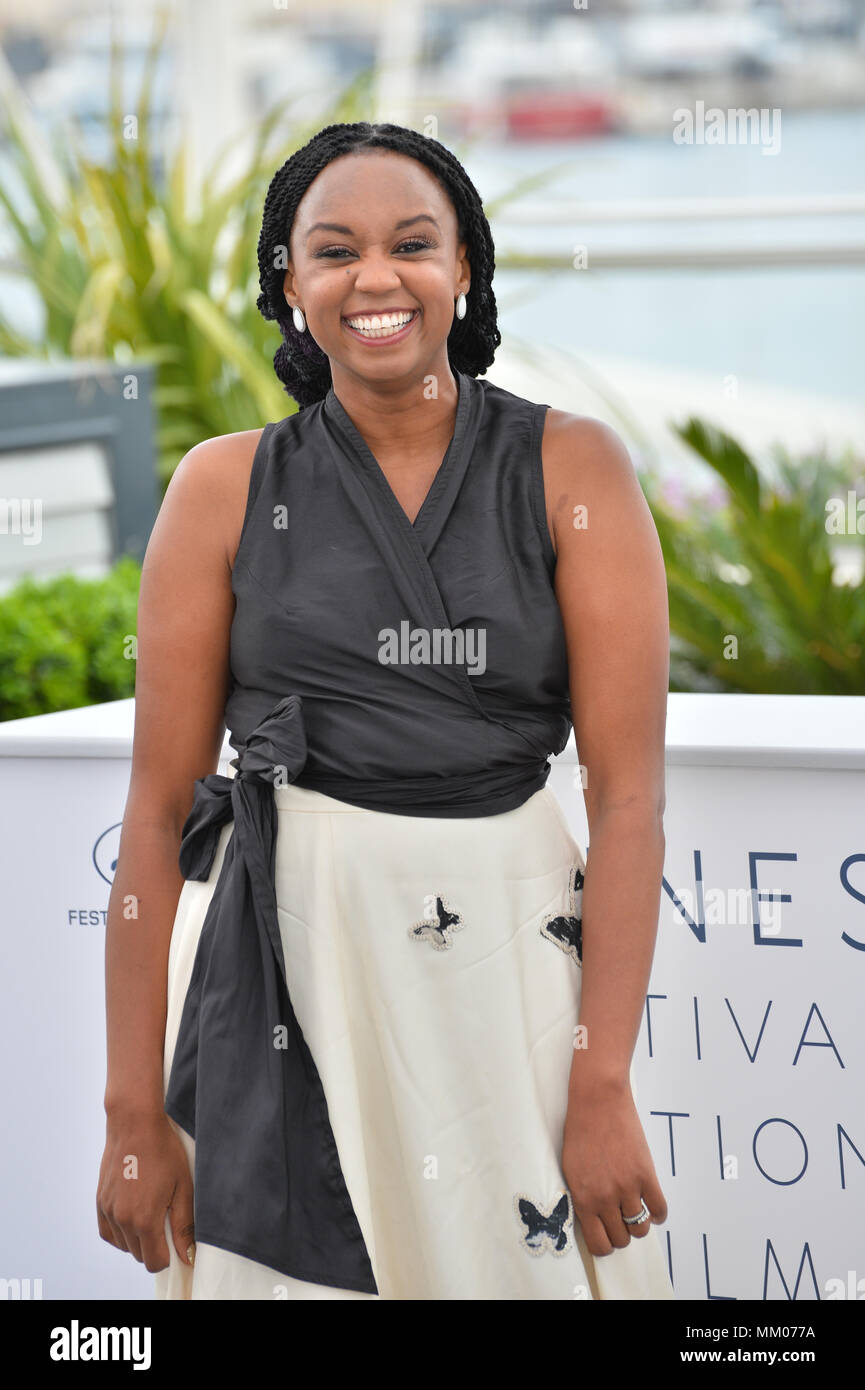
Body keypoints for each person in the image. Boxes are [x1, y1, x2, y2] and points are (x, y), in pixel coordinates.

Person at [96, 121, 674, 1301]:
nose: (375, 278)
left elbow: (629, 802)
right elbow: (155, 816)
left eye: (413, 243)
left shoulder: (575, 470)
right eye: (332, 249)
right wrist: (131, 1107)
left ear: (464, 268)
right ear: (288, 282)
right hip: (287, 958)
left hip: (511, 964)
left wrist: (603, 1078)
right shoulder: (220, 485)